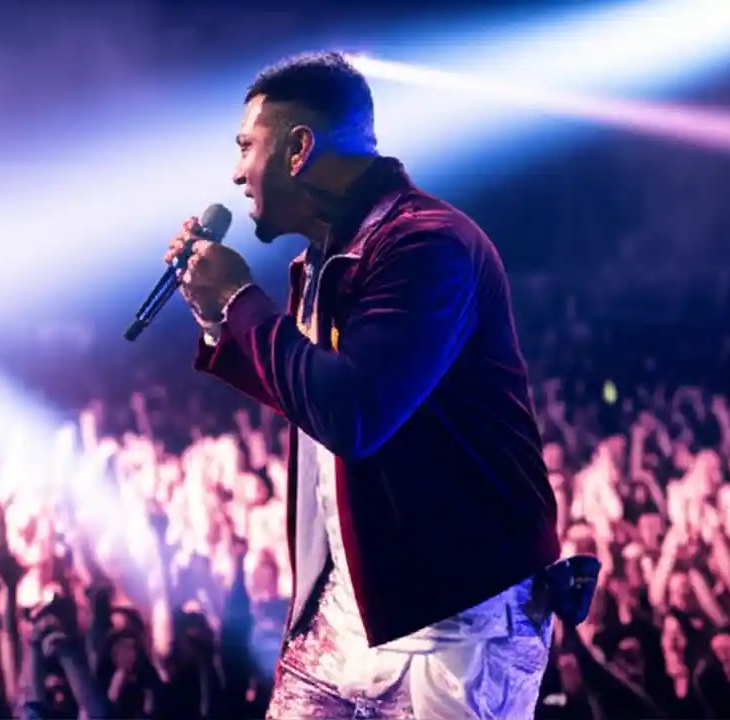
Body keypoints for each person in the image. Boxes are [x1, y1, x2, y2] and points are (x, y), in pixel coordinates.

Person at [164, 51, 562, 718]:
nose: (236, 174)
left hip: (457, 623)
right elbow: (316, 395)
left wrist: (240, 300)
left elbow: (356, 410)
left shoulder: (426, 245)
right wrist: (216, 318)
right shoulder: (321, 261)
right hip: (350, 615)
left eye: (245, 148)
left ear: (298, 149)